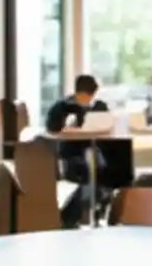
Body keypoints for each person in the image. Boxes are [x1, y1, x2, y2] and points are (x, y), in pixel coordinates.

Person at [45, 74, 111, 227]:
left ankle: (95, 214)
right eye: (84, 96)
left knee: (106, 175)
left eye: (90, 96)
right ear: (76, 93)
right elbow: (52, 130)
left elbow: (108, 127)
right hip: (71, 153)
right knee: (89, 181)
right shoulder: (61, 108)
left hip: (96, 152)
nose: (87, 100)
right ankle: (68, 219)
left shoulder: (99, 107)